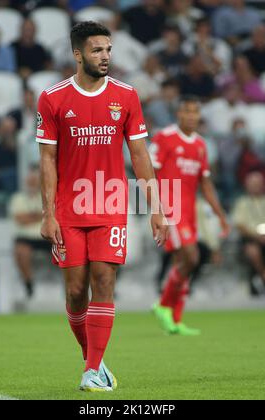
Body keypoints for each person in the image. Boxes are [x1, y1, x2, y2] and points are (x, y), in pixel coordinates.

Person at [37, 21, 168, 392]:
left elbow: (140, 154)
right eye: (97, 50)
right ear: (78, 54)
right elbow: (47, 159)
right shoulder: (53, 98)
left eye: (108, 49)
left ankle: (92, 371)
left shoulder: (126, 95)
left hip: (109, 203)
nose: (105, 56)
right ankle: (93, 362)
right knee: (76, 291)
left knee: (104, 280)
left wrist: (157, 208)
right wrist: (48, 213)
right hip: (68, 209)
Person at [150, 96, 229, 335]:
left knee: (182, 263)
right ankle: (163, 305)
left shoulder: (200, 145)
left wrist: (220, 215)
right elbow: (149, 172)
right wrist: (156, 209)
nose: (192, 116)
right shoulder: (164, 138)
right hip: (170, 208)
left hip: (189, 210)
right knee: (192, 257)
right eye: (187, 111)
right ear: (179, 113)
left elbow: (205, 184)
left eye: (196, 112)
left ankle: (174, 320)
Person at [233, 172, 265, 295]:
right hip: (250, 238)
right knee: (253, 251)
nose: (255, 187)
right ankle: (264, 277)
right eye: (253, 184)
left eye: (258, 184)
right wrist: (257, 236)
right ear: (247, 186)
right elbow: (240, 225)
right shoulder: (242, 203)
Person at [9, 166, 49, 299]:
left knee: (70, 249)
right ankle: (28, 283)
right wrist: (41, 215)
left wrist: (30, 216)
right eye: (30, 179)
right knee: (21, 251)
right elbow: (20, 219)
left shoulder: (48, 195)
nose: (32, 182)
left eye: (35, 179)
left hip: (47, 236)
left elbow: (53, 214)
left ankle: (72, 285)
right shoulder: (17, 198)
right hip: (26, 237)